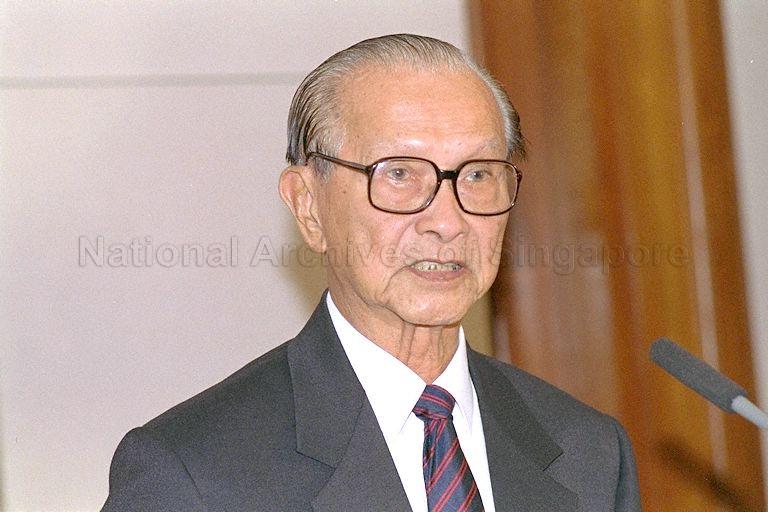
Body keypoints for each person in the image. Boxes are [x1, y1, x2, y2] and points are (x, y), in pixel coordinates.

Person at [102, 34, 641, 512]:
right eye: (399, 174)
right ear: (309, 207)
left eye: (477, 174)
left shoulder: (588, 451)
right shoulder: (192, 472)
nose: (447, 221)